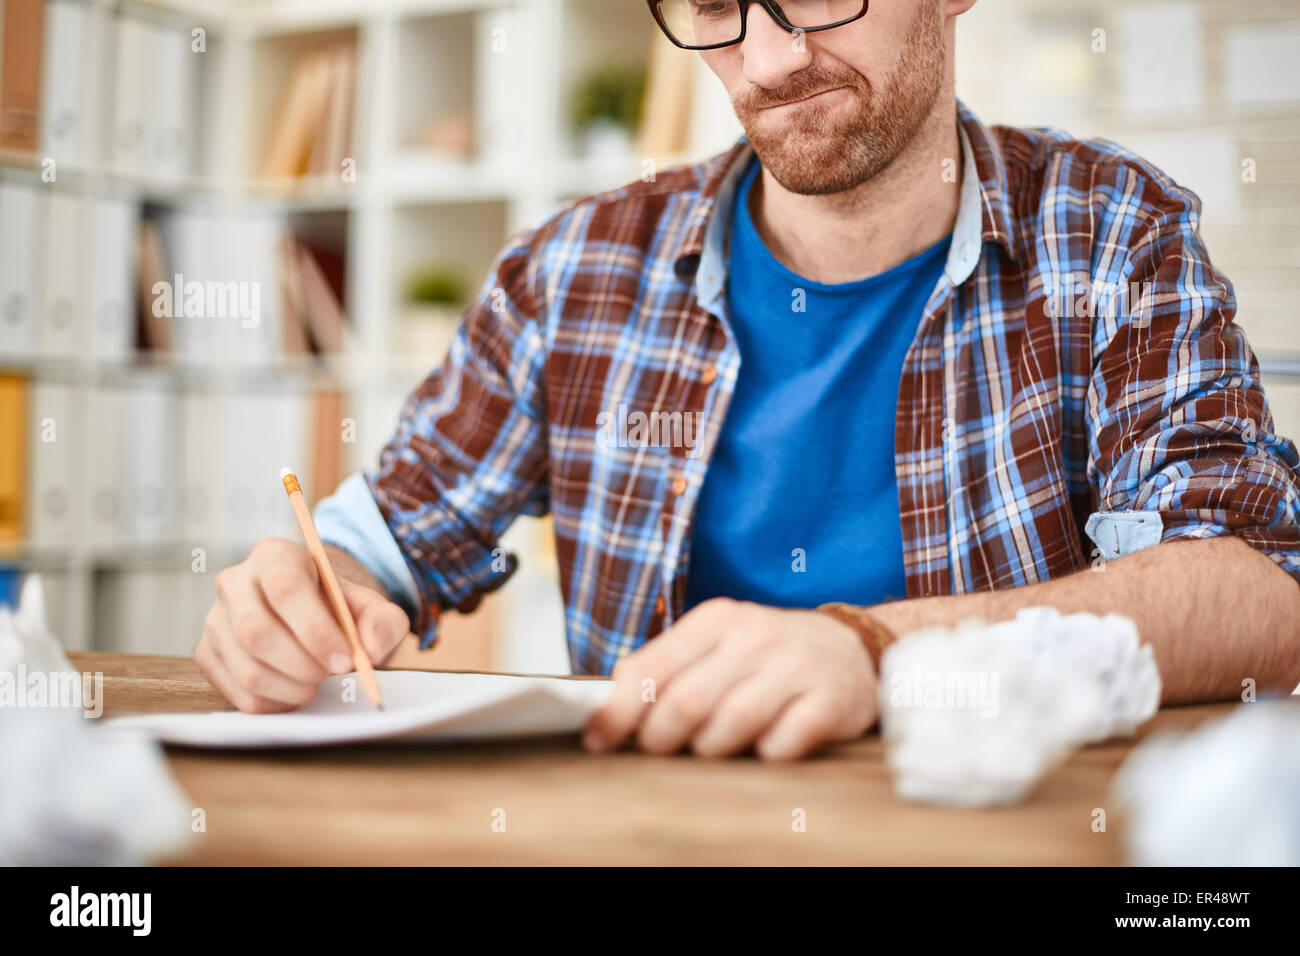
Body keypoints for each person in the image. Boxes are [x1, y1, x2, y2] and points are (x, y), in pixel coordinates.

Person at [196, 0, 1300, 760]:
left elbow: (1259, 590)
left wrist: (876, 653)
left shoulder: (1109, 234)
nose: (766, 61)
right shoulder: (574, 271)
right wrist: (310, 593)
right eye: (714, 3)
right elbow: (389, 541)